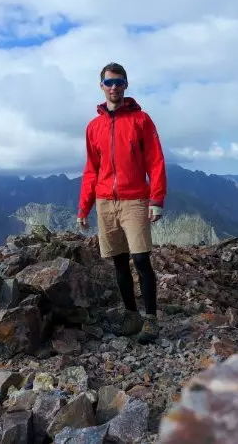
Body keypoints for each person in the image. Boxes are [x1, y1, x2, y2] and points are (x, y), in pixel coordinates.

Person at [77, 62, 167, 344]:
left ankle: (150, 319)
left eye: (119, 82)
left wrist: (157, 199)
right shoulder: (93, 127)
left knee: (140, 259)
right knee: (118, 261)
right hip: (105, 201)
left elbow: (156, 160)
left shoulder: (141, 120)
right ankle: (131, 315)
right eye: (109, 82)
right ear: (101, 86)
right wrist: (84, 207)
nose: (114, 87)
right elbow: (91, 169)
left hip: (135, 200)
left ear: (126, 84)